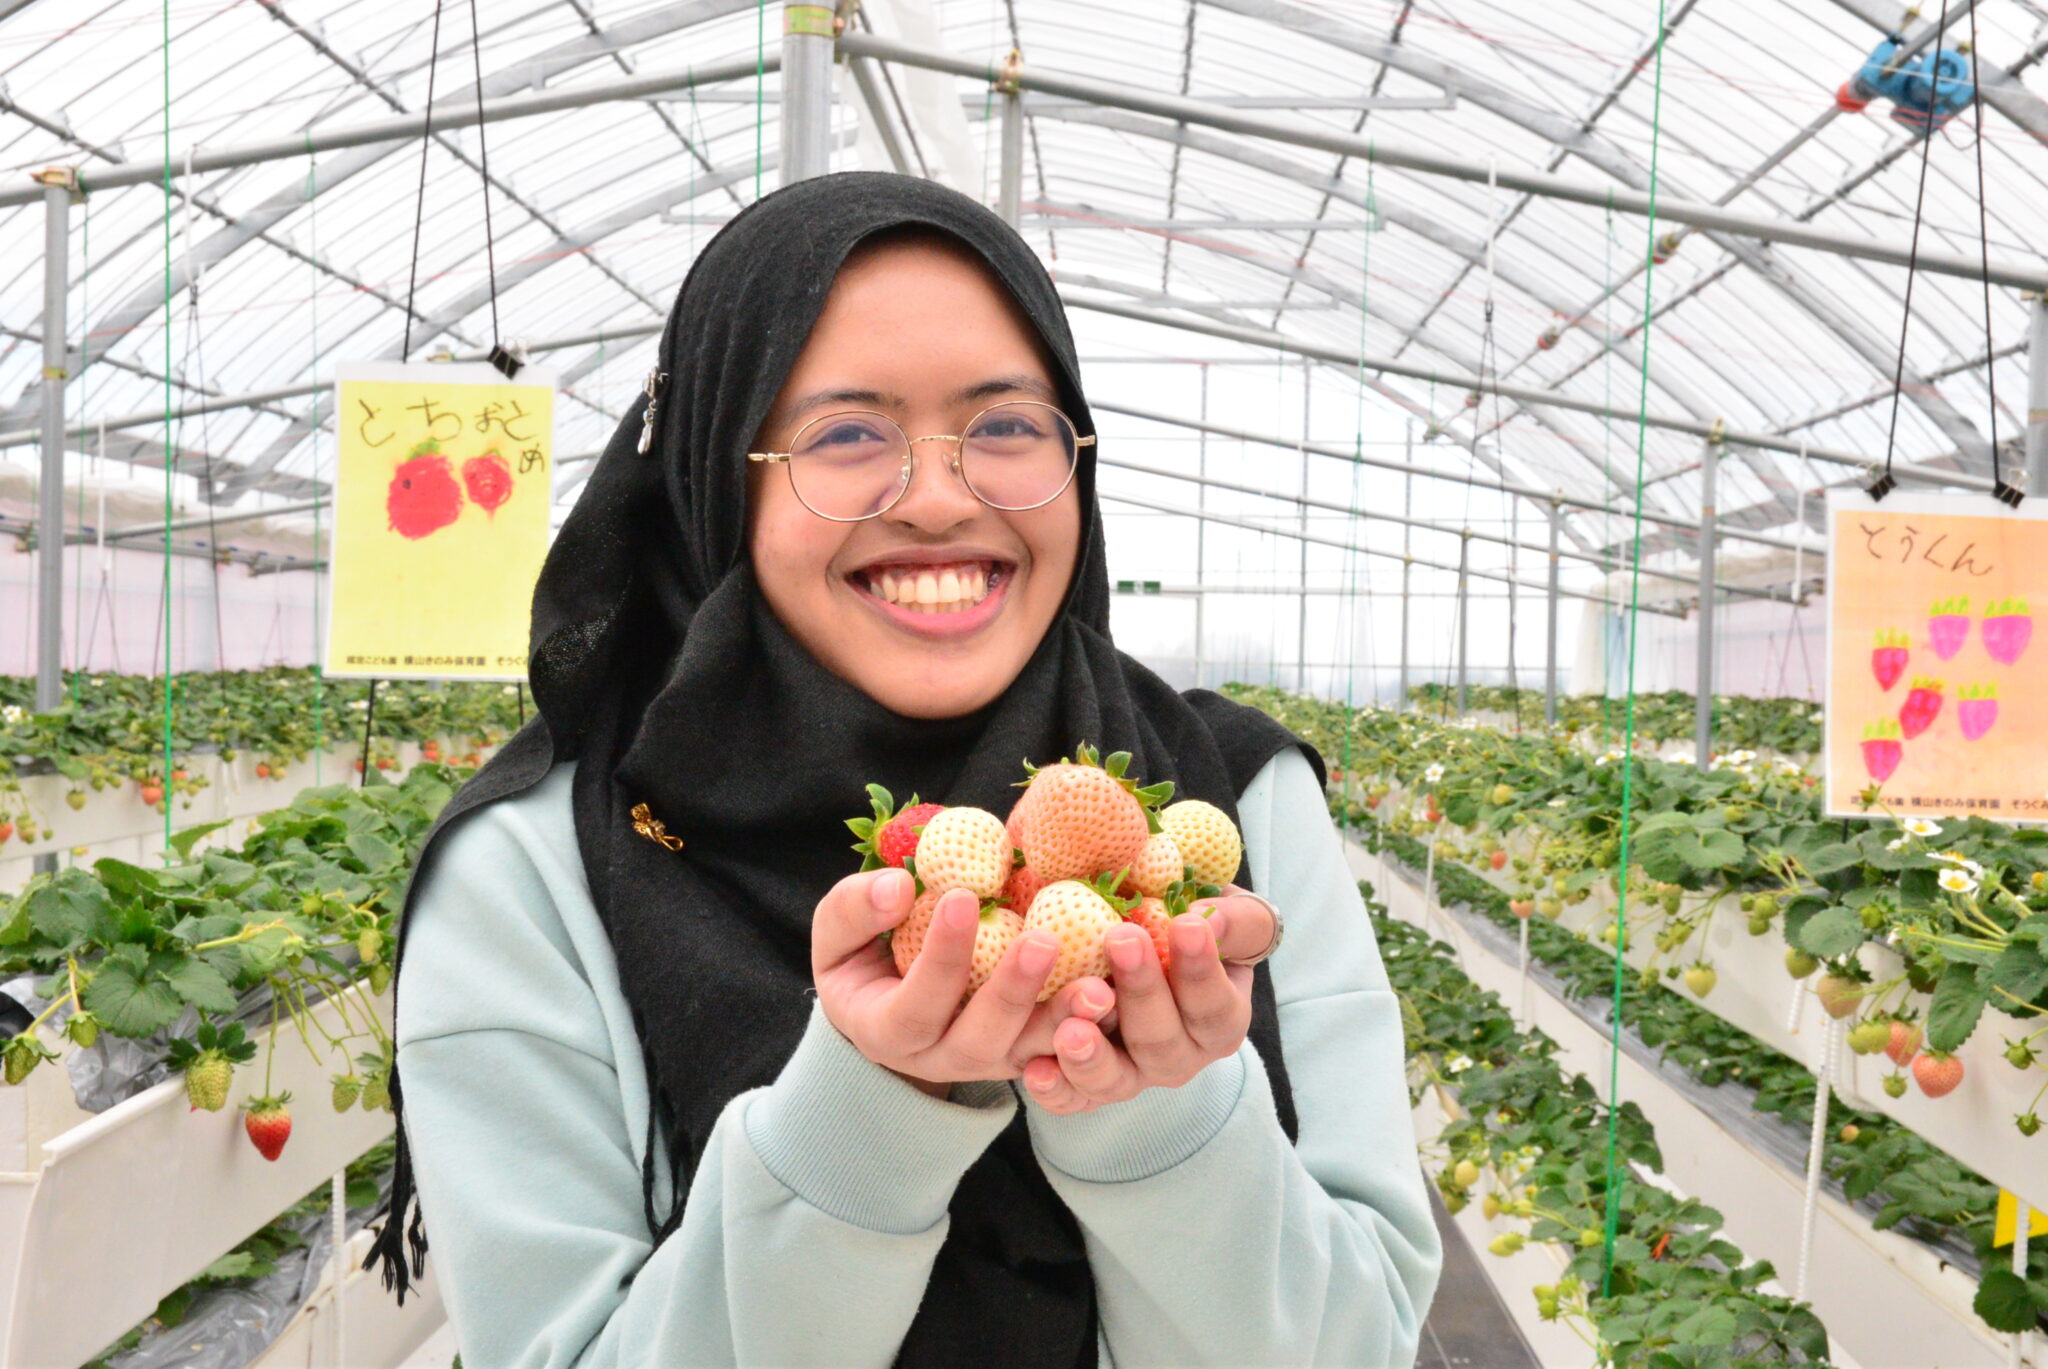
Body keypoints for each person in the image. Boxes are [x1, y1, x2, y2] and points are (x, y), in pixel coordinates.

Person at [374, 170, 1440, 1368]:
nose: (938, 499)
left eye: (1004, 425)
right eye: (843, 435)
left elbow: (1364, 1345)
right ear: (722, 468)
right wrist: (869, 1116)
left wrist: (1149, 1104)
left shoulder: (1232, 808)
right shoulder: (535, 869)